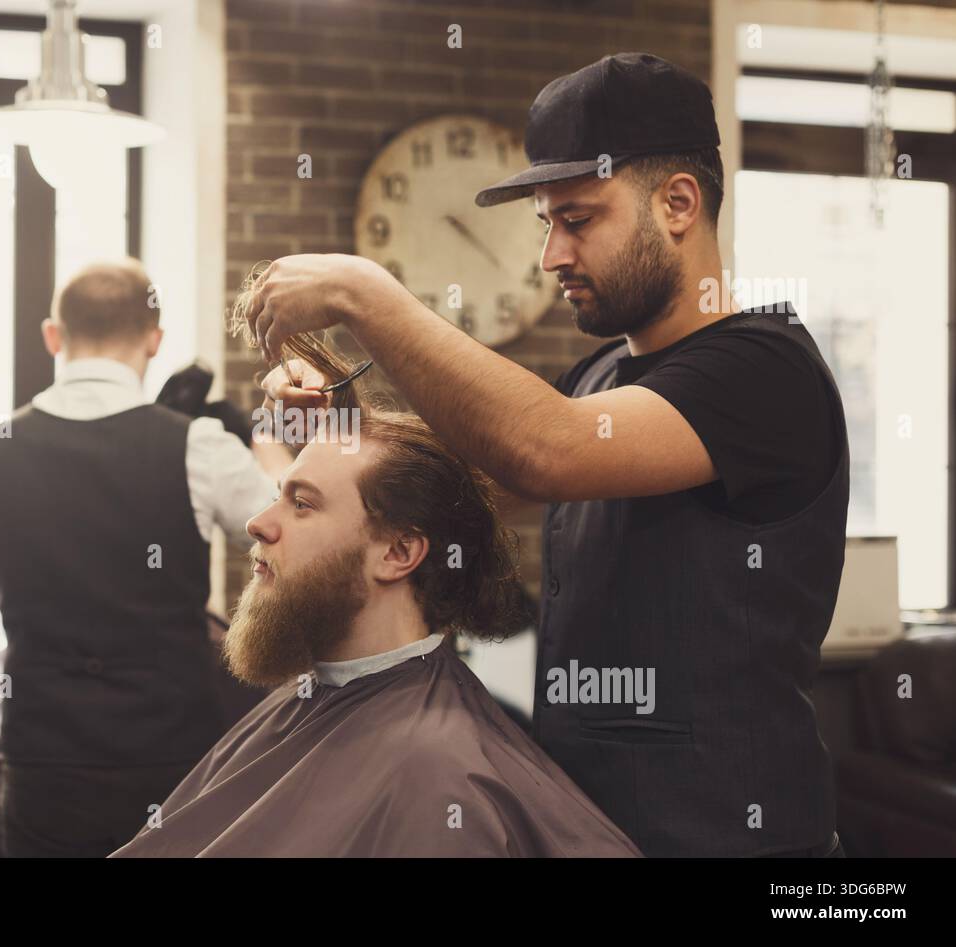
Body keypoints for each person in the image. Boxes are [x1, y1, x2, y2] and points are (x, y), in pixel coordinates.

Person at [242, 53, 849, 857]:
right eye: (546, 225)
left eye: (579, 219)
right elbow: (478, 484)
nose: (552, 256)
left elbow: (543, 451)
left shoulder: (764, 370)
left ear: (678, 203)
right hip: (586, 828)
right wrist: (336, 420)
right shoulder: (599, 377)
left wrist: (365, 293)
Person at [0, 258, 292, 857]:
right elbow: (291, 530)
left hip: (45, 756)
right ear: (155, 339)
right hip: (171, 754)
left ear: (53, 336)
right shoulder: (199, 447)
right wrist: (266, 448)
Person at [110, 392, 641, 857]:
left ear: (398, 552)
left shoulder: (441, 778)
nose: (258, 523)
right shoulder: (311, 698)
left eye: (302, 504)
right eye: (279, 494)